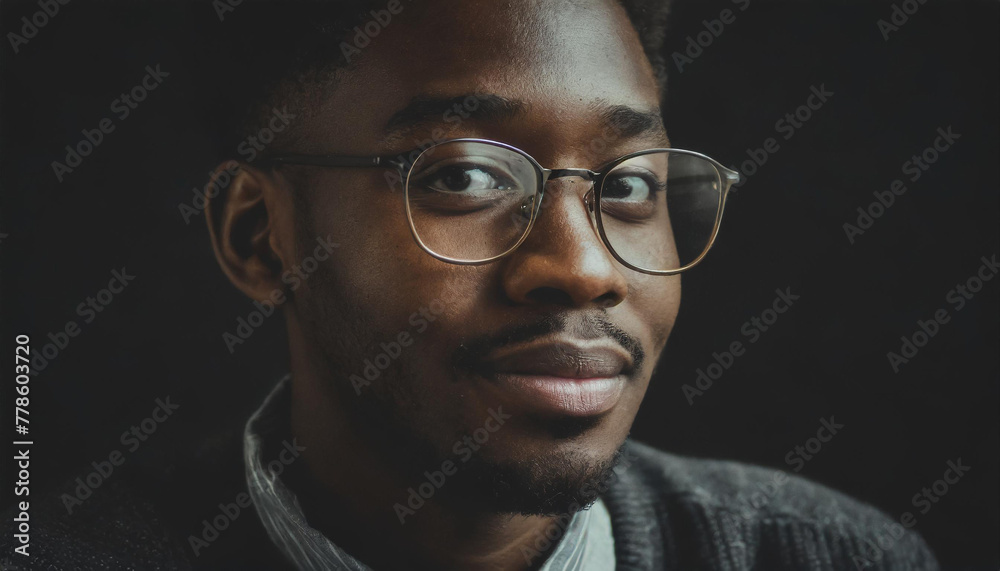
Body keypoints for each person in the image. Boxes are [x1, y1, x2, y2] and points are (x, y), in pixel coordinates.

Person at [1, 0, 940, 569]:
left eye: (628, 186)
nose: (583, 266)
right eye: (463, 176)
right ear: (261, 236)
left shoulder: (828, 557)